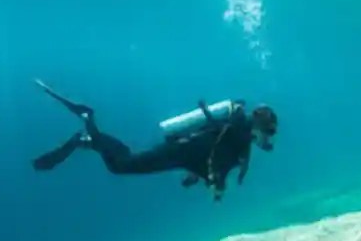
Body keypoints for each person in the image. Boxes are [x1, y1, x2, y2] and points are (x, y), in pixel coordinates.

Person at [30, 79, 277, 200]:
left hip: (181, 153)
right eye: (268, 133)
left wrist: (198, 176)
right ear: (261, 126)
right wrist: (217, 184)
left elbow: (211, 150)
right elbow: (216, 154)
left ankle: (87, 140)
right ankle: (88, 122)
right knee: (122, 165)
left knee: (124, 161)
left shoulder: (239, 133)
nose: (267, 141)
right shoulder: (238, 134)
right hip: (178, 152)